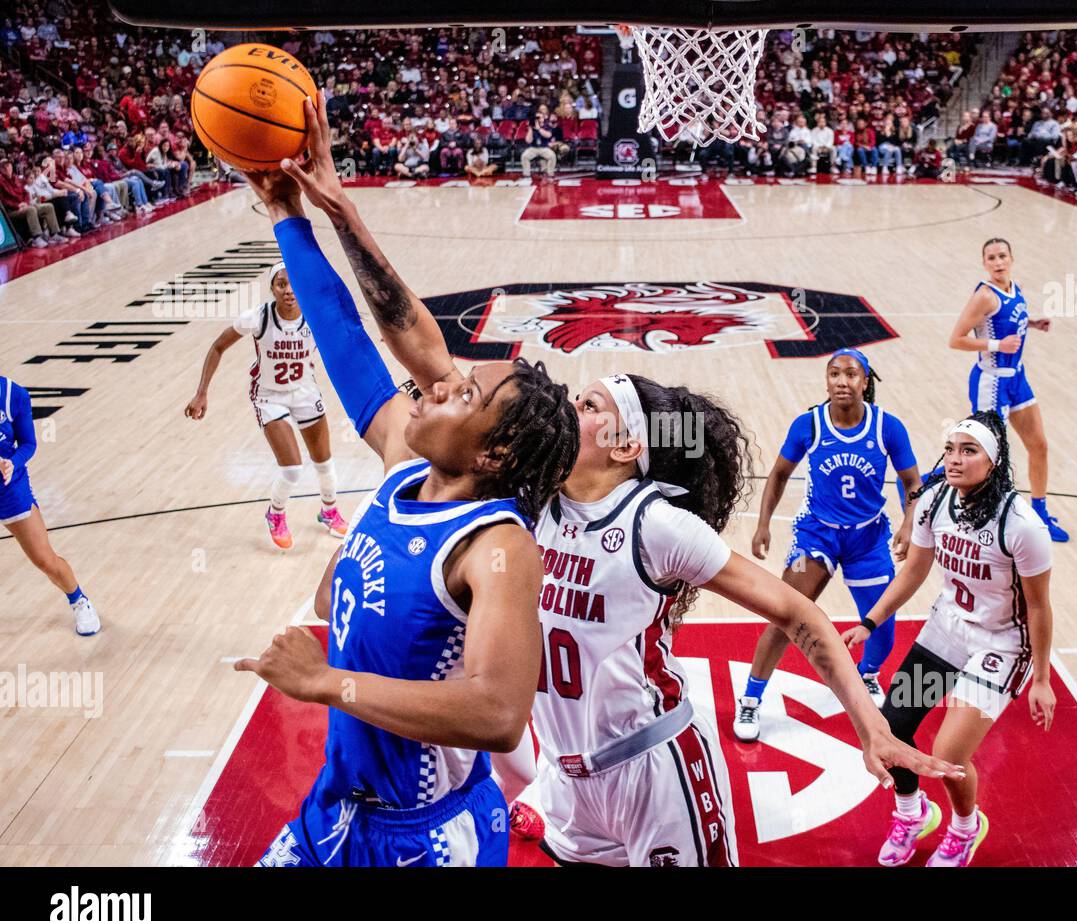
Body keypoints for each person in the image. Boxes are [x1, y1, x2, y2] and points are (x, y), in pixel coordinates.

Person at [272, 92, 963, 867]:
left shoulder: (654, 525)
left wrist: (870, 722)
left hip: (653, 768)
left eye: (590, 403)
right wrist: (333, 213)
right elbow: (419, 350)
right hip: (568, 784)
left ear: (628, 443)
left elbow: (797, 610)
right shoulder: (520, 501)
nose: (570, 404)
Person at [236, 166, 581, 868]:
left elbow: (497, 712)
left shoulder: (497, 547)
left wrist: (327, 683)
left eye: (465, 393)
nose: (440, 384)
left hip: (426, 836)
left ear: (496, 452)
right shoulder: (404, 468)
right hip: (335, 806)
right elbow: (344, 334)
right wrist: (290, 212)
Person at [848, 412, 1054, 866]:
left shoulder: (1021, 526)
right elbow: (916, 570)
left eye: (969, 450)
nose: (954, 459)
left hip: (1000, 645)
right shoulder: (935, 501)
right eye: (950, 449)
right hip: (947, 630)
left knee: (948, 751)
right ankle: (912, 812)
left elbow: (1039, 607)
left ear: (993, 461)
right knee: (892, 728)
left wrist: (1041, 679)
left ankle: (965, 827)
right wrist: (871, 621)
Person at [735, 349, 922, 743]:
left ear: (865, 381)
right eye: (834, 373)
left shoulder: (889, 427)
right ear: (826, 381)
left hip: (868, 537)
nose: (842, 381)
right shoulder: (809, 425)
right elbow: (779, 474)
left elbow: (912, 484)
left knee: (882, 630)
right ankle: (751, 698)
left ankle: (867, 675)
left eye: (851, 374)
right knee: (785, 614)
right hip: (817, 534)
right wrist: (763, 524)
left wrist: (909, 522)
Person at [184, 263, 349, 549]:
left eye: (293, 283)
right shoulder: (258, 318)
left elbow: (348, 333)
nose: (288, 290)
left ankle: (329, 511)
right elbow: (218, 346)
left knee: (325, 463)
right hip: (269, 396)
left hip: (305, 392)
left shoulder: (315, 317)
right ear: (272, 288)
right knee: (293, 469)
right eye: (281, 284)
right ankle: (275, 514)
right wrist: (201, 393)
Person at [949, 238, 1068, 542]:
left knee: (1038, 445)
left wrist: (1032, 324)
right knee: (985, 456)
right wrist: (996, 346)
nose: (998, 262)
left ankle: (1040, 512)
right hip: (991, 381)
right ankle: (925, 486)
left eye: (1002, 256)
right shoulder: (984, 296)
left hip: (1017, 378)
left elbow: (1008, 320)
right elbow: (956, 339)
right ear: (984, 263)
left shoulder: (1015, 288)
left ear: (1012, 258)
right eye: (992, 258)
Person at [1, 375, 100, 635]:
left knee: (44, 559)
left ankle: (79, 601)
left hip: (9, 487)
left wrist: (13, 463)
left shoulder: (14, 395)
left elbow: (28, 443)